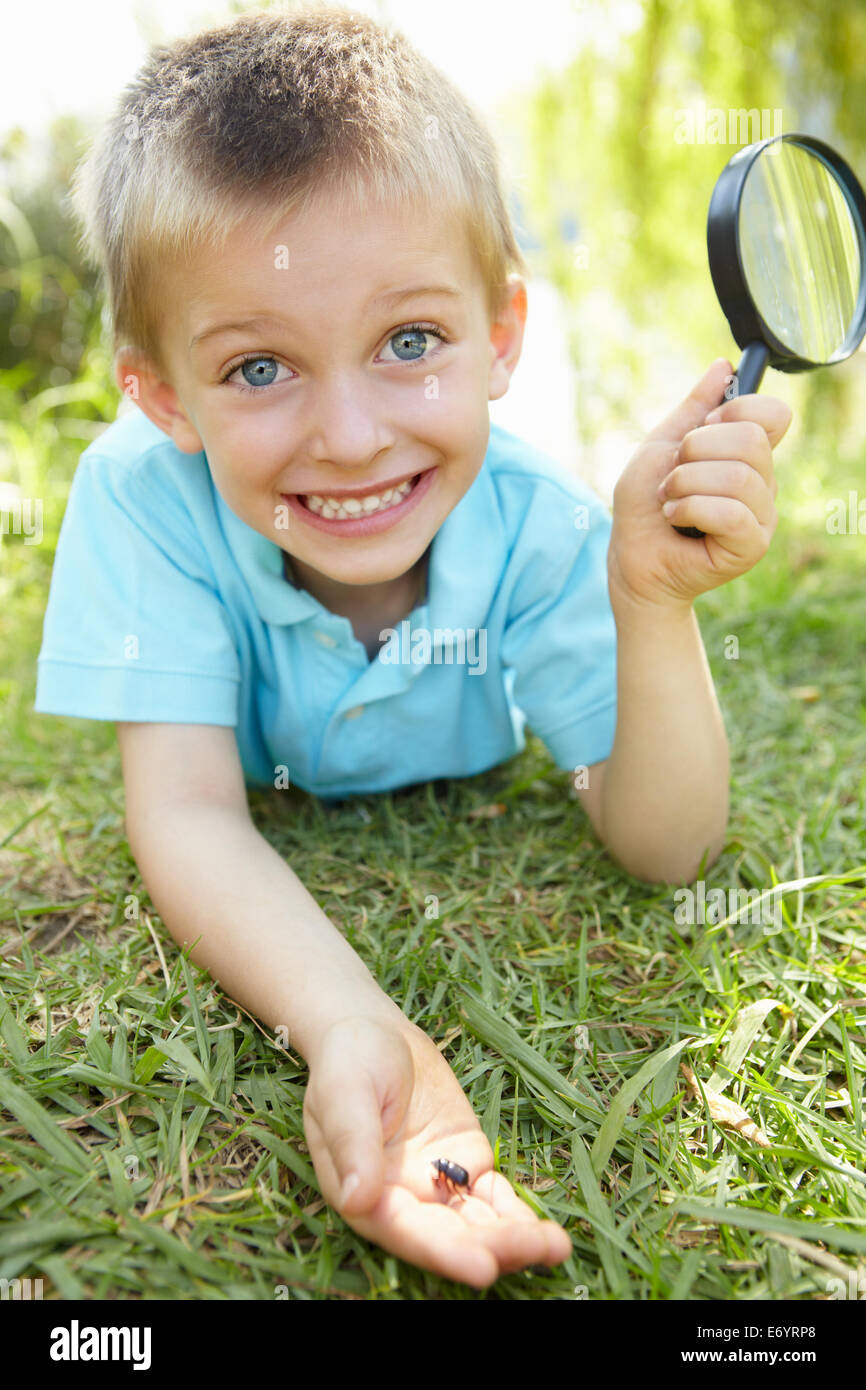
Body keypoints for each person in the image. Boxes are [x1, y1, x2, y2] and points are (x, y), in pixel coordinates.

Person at [34, 5, 791, 1288]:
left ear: (498, 337)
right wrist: (346, 1021)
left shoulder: (545, 526)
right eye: (260, 368)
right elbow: (192, 814)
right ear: (162, 396)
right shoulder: (138, 498)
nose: (350, 436)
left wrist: (648, 606)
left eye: (408, 344)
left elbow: (669, 847)